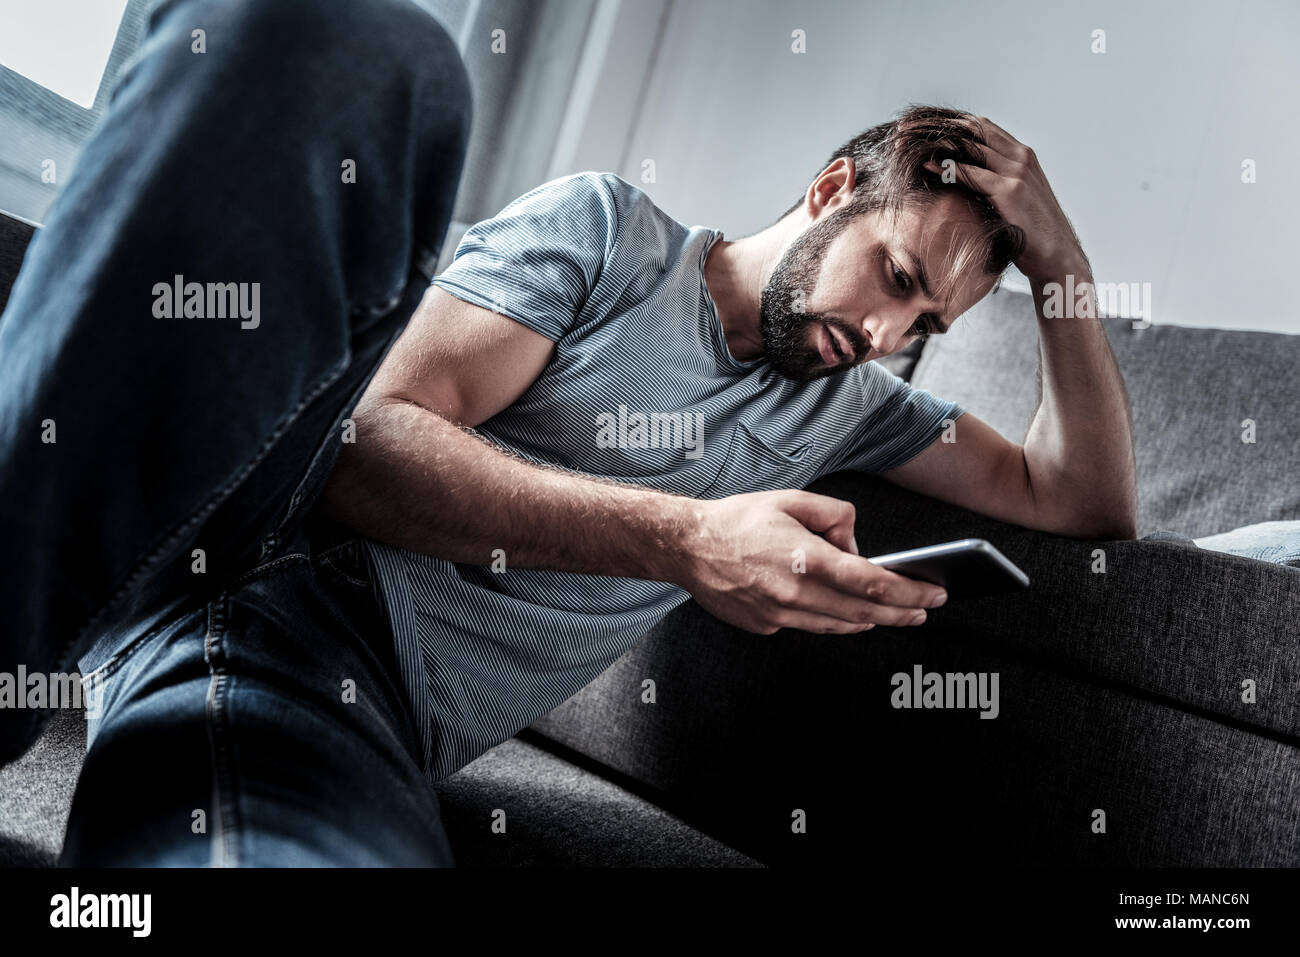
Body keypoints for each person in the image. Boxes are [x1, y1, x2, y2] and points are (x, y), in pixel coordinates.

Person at [0, 0, 1137, 865]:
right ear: (833, 187)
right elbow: (367, 445)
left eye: (924, 323)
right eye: (894, 277)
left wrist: (1064, 268)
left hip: (333, 691)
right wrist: (685, 539)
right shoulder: (607, 232)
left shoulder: (852, 403)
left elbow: (1083, 500)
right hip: (267, 529)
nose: (888, 335)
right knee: (361, 50)